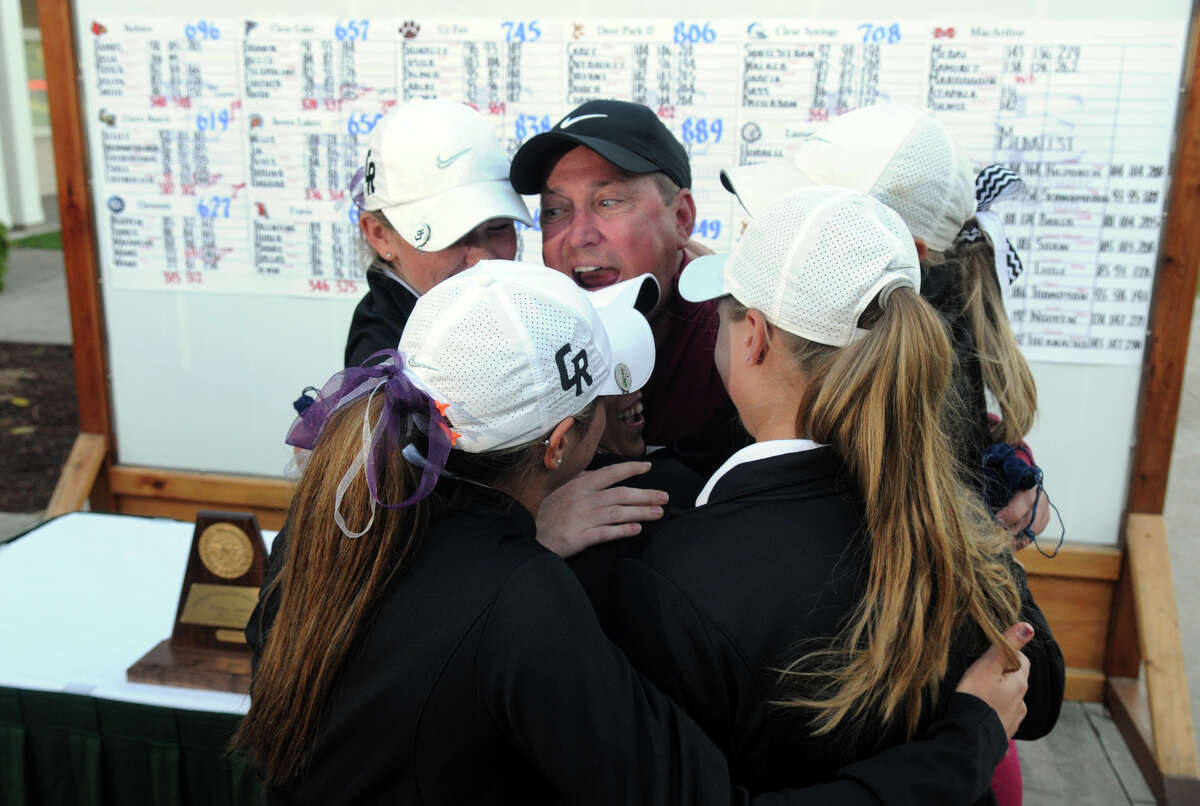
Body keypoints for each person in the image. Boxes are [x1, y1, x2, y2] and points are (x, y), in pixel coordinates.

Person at [237, 260, 1036, 805]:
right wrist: (963, 740)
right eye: (608, 410)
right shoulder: (522, 604)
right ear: (560, 446)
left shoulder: (337, 515)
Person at [601, 188, 1065, 803]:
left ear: (754, 338)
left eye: (726, 311)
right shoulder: (953, 517)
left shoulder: (673, 575)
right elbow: (1043, 695)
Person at [719, 103, 1048, 544]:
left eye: (808, 220)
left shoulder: (908, 400)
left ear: (909, 251)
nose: (765, 233)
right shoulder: (931, 344)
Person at [509, 100, 739, 473]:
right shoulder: (519, 351)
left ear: (681, 219)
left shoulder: (743, 342)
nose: (578, 236)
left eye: (608, 202)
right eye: (554, 211)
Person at [344, 99, 532, 368]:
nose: (482, 258)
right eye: (452, 235)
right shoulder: (386, 372)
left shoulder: (475, 316)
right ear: (380, 235)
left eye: (499, 226)